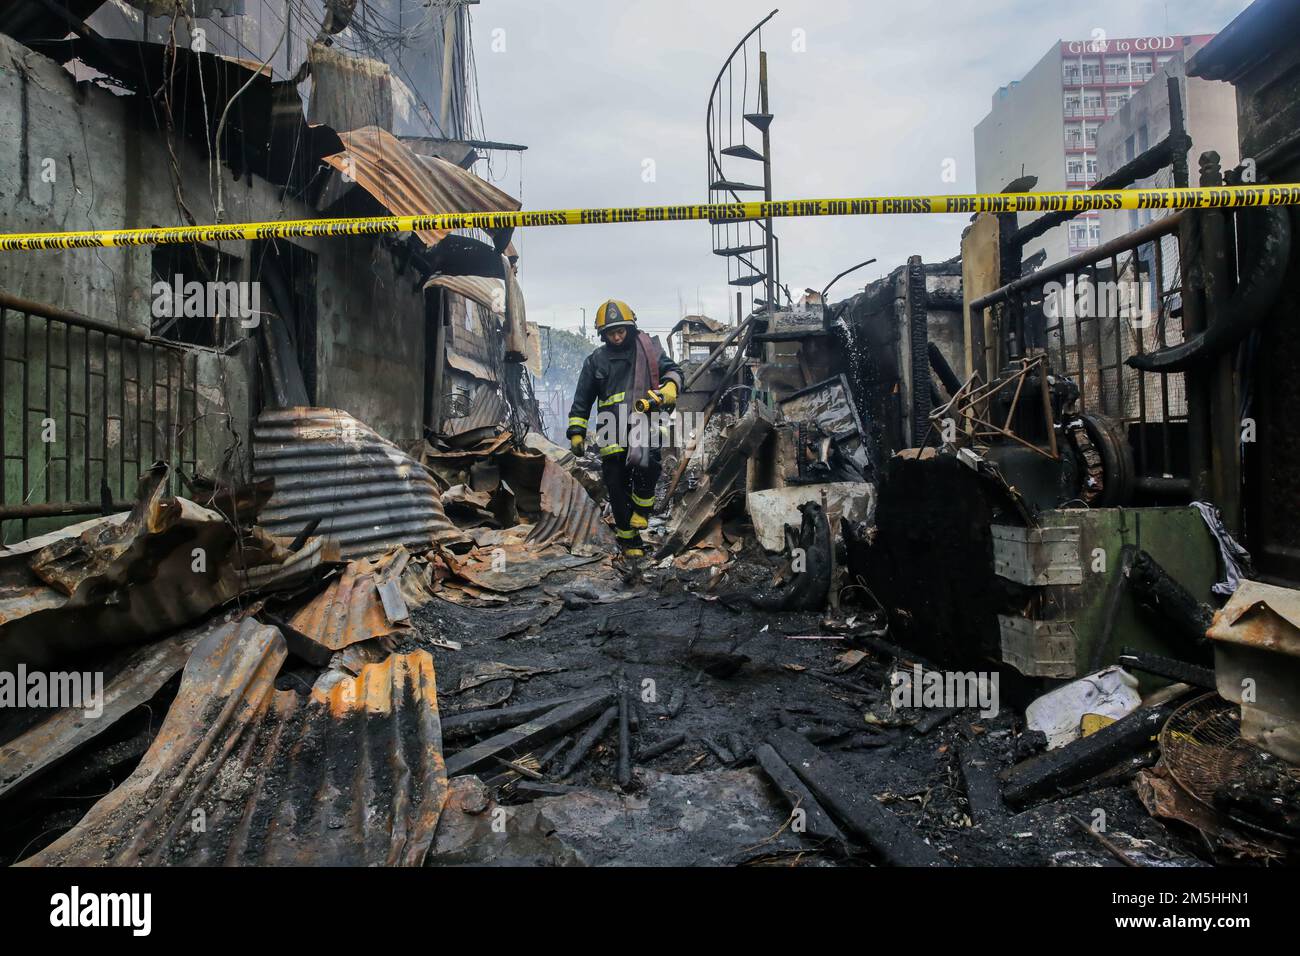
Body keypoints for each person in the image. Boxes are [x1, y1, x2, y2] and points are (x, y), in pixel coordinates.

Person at [566, 299, 683, 557]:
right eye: (611, 333)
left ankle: (642, 512)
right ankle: (630, 542)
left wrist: (670, 387)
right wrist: (576, 432)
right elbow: (582, 399)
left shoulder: (647, 350)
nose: (617, 337)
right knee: (616, 484)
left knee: (649, 467)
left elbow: (673, 370)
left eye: (621, 331)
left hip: (645, 423)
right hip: (611, 430)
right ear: (603, 334)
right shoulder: (595, 360)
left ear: (630, 328)